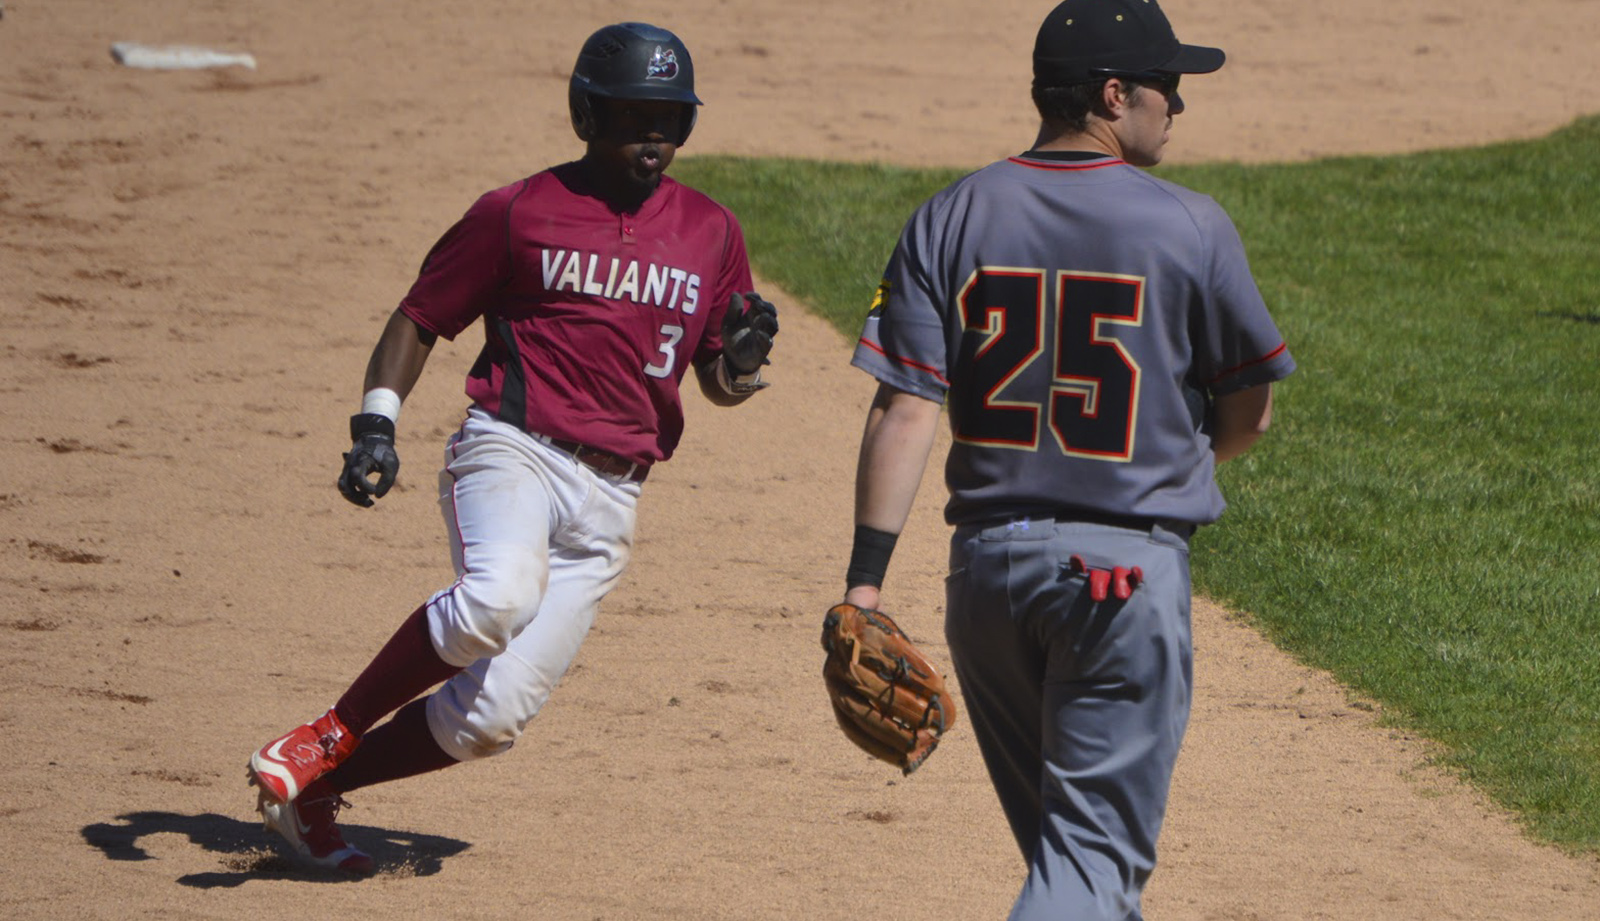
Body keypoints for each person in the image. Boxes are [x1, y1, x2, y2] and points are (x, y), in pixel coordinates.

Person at [246, 21, 780, 874]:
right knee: (498, 597)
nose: (656, 138)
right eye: (636, 116)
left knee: (489, 722)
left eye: (673, 121)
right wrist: (376, 425)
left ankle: (314, 790)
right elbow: (421, 316)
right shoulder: (517, 211)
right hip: (514, 450)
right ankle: (325, 734)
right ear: (587, 114)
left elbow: (715, 376)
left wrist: (741, 363)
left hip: (615, 497)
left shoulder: (712, 231)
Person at [838, 0, 1295, 917]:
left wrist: (863, 587)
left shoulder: (950, 214)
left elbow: (903, 406)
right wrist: (1185, 454)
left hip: (987, 579)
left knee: (1071, 864)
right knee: (1090, 869)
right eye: (1166, 87)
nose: (1177, 106)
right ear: (1114, 94)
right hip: (1121, 581)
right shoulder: (1190, 224)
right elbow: (1252, 408)